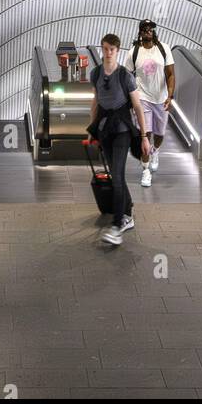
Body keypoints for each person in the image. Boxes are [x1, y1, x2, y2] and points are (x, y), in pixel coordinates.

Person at [87, 33, 151, 245]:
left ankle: (117, 226)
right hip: (105, 129)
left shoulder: (125, 76)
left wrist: (144, 137)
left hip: (123, 130)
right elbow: (96, 102)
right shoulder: (95, 73)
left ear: (117, 50)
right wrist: (92, 129)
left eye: (111, 50)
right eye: (105, 49)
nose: (107, 53)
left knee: (116, 174)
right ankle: (128, 213)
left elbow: (139, 107)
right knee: (117, 174)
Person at [128, 19, 176, 187]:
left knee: (160, 133)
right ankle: (145, 170)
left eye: (151, 29)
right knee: (145, 135)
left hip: (161, 98)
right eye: (146, 29)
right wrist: (130, 99)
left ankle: (156, 151)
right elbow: (127, 76)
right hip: (143, 99)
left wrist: (170, 96)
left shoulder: (164, 48)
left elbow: (170, 74)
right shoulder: (134, 52)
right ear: (140, 32)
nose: (149, 31)